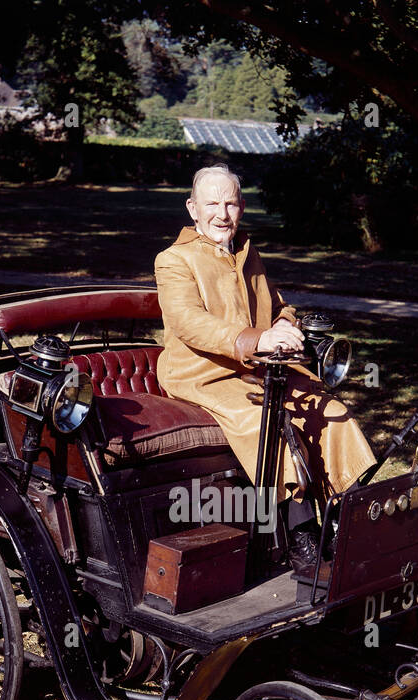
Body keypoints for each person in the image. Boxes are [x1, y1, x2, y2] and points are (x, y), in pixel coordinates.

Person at [153, 165, 376, 569]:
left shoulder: (247, 252)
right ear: (192, 209)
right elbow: (188, 322)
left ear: (241, 207)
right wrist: (257, 339)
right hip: (200, 372)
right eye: (211, 204)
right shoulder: (173, 260)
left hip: (259, 367)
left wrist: (285, 326)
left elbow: (279, 306)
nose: (222, 214)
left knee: (330, 409)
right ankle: (301, 537)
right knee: (266, 423)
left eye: (231, 203)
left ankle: (345, 514)